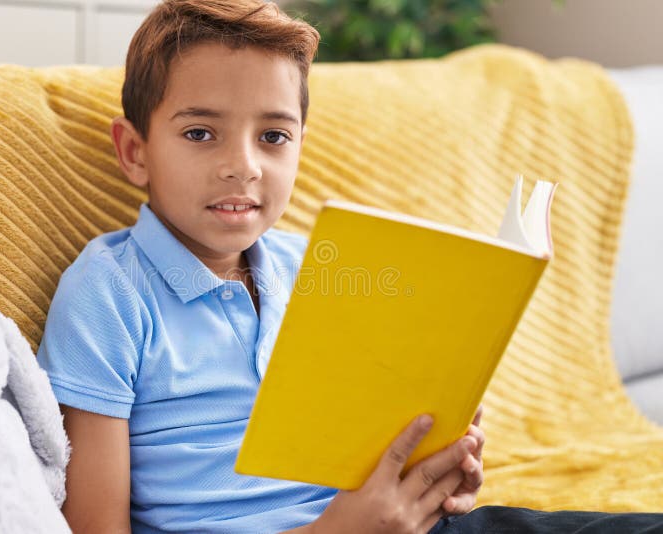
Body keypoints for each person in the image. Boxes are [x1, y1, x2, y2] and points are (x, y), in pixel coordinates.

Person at [36, 1, 663, 532]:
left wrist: (435, 472)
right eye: (201, 133)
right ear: (135, 151)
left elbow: (362, 441)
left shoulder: (325, 262)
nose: (244, 166)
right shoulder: (109, 292)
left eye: (274, 137)